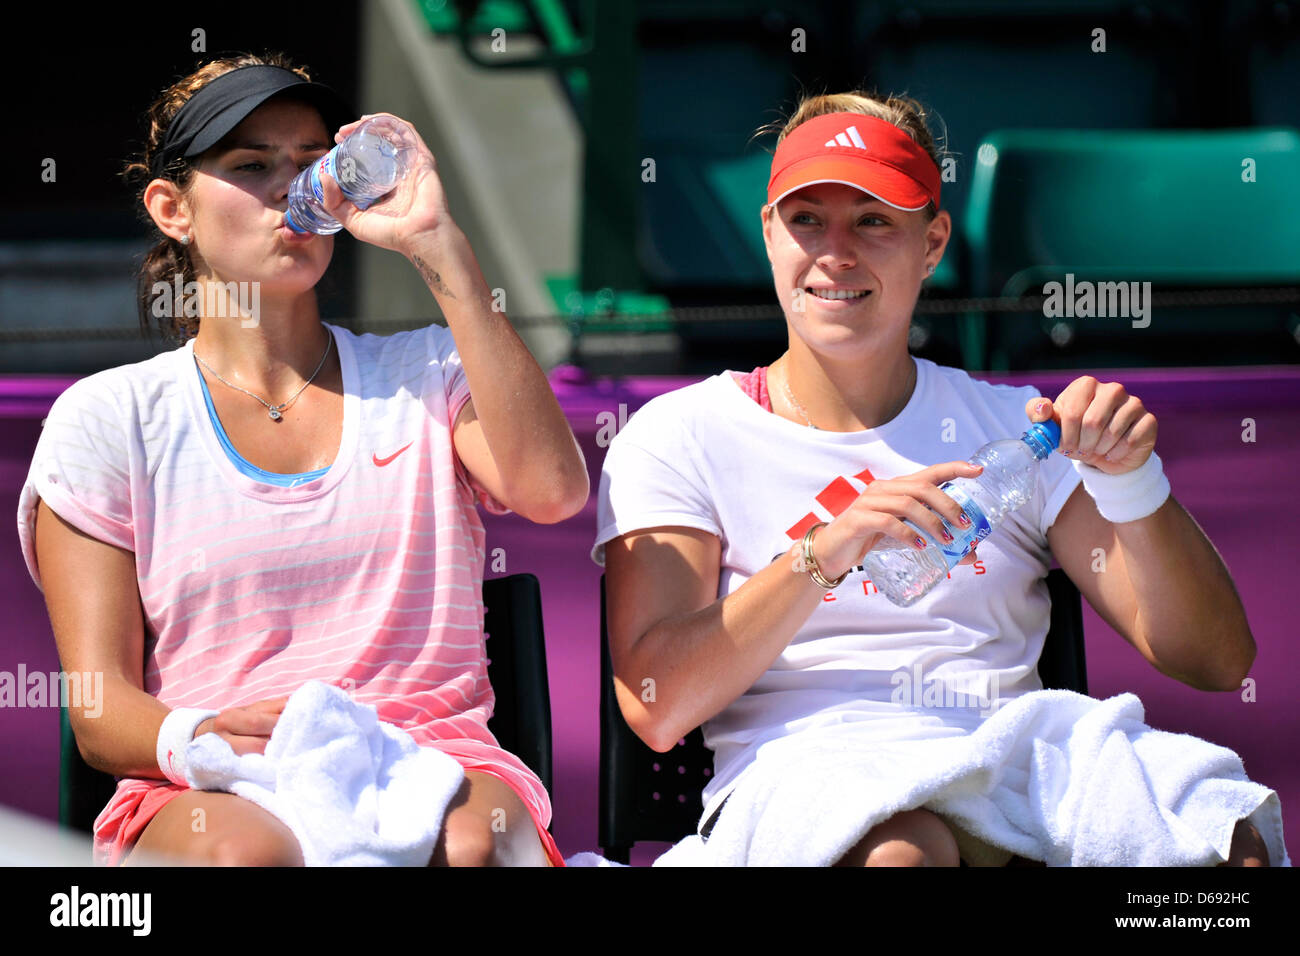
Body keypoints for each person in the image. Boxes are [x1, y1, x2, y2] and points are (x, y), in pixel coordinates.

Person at [593, 91, 1280, 866]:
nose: (836, 252)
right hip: (808, 774)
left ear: (934, 241)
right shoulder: (680, 433)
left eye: (875, 220)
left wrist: (1134, 482)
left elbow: (1217, 661)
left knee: (1226, 849)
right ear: (768, 233)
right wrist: (827, 551)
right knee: (900, 855)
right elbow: (656, 706)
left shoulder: (1018, 426)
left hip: (1016, 761)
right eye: (807, 219)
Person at [16, 53, 588, 866]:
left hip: (436, 764)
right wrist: (204, 737)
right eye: (251, 165)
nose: (292, 187)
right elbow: (101, 710)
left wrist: (439, 247)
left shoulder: (429, 369)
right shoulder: (108, 419)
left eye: (311, 162)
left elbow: (554, 491)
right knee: (244, 857)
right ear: (171, 208)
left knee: (478, 851)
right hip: (213, 783)